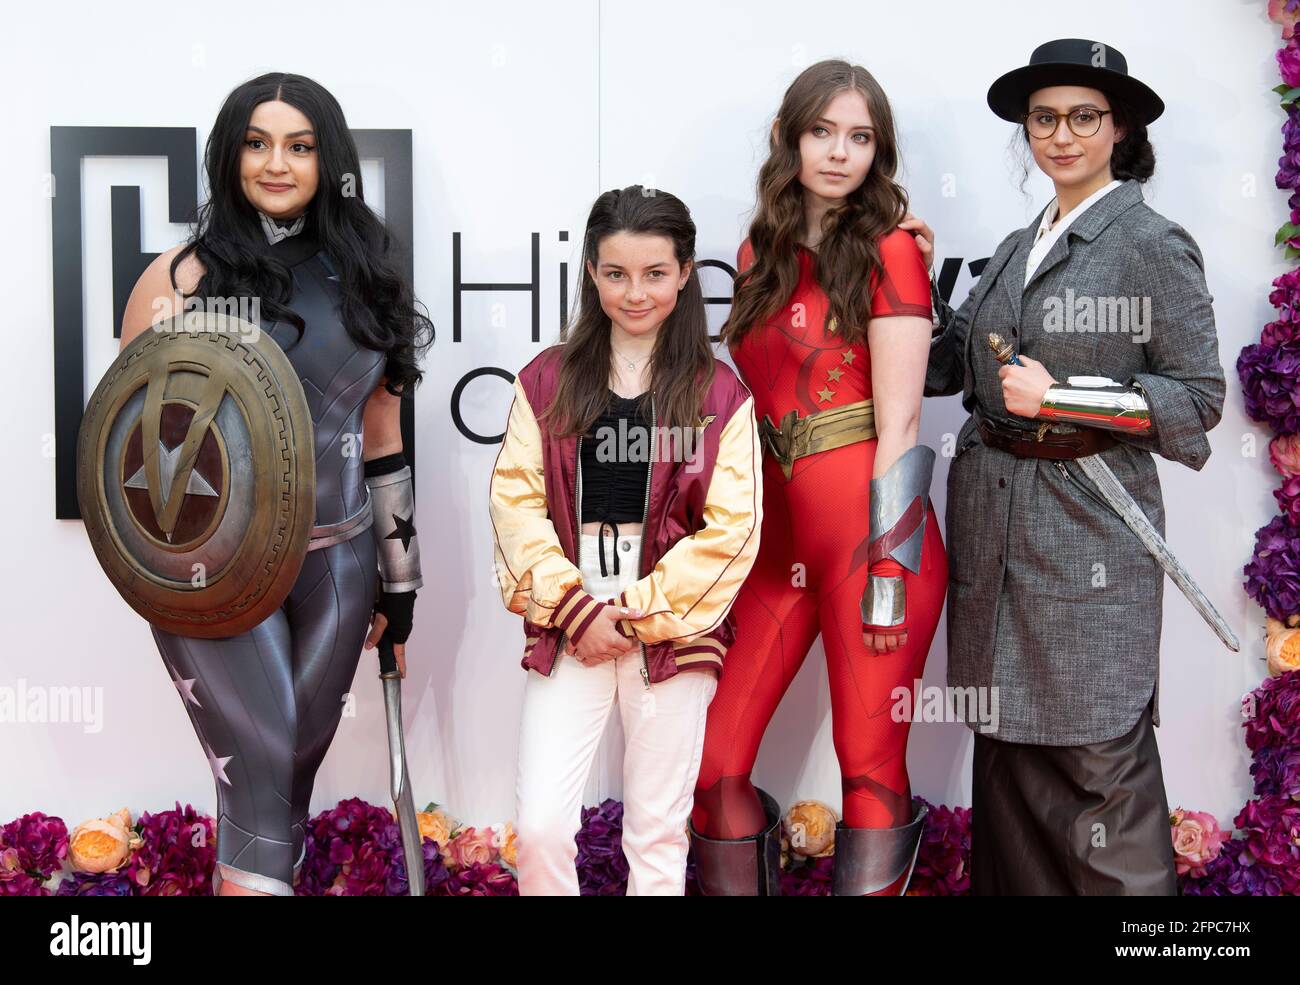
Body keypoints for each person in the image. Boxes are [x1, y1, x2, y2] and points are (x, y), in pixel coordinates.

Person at [115, 72, 433, 895]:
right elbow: (129, 452)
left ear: (328, 159)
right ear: (231, 155)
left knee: (287, 779)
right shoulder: (176, 281)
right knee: (257, 776)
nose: (277, 163)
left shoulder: (370, 275)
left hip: (340, 567)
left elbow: (383, 435)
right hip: (208, 574)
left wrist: (401, 585)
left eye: (299, 145)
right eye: (258, 143)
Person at [922, 38, 1226, 894]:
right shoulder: (1020, 243)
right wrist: (908, 275)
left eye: (1083, 117)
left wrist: (1066, 401)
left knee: (1099, 771)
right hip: (997, 540)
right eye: (1044, 119)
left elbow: (1199, 399)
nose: (1061, 135)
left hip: (1093, 541)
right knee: (1012, 780)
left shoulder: (1151, 242)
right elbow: (960, 368)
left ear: (1119, 127)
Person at [689, 59, 949, 896]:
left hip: (872, 546)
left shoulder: (892, 249)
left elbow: (904, 425)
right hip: (773, 545)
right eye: (822, 132)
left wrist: (887, 572)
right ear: (786, 137)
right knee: (712, 764)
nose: (840, 153)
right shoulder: (756, 251)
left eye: (861, 137)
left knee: (868, 766)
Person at [489, 186, 762, 895]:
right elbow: (515, 505)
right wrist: (580, 610)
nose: (634, 292)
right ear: (590, 271)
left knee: (656, 835)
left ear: (683, 272)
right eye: (615, 274)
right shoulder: (546, 380)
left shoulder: (720, 395)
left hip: (669, 638)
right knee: (544, 825)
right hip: (572, 624)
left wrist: (635, 614)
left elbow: (732, 532)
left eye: (654, 273)